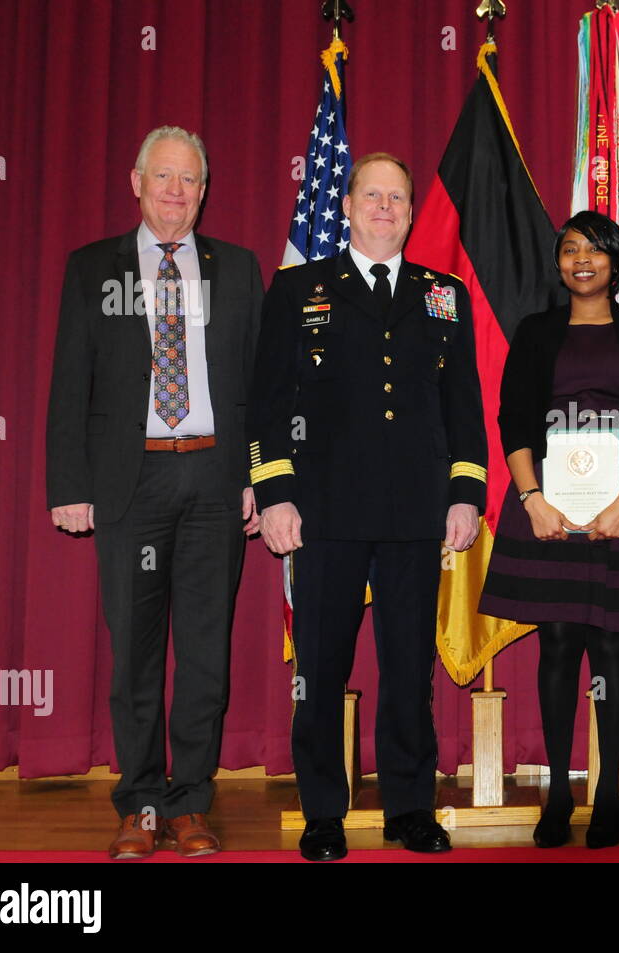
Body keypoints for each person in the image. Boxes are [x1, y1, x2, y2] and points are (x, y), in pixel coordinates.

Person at [246, 152, 486, 861]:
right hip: (324, 512)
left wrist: (466, 490)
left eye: (397, 198)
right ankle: (323, 808)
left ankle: (411, 805)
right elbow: (268, 401)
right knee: (320, 667)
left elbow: (463, 404)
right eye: (372, 195)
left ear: (411, 213)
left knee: (411, 669)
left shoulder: (443, 294)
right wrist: (276, 493)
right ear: (346, 205)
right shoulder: (299, 289)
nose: (385, 208)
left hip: (416, 512)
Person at [45, 125, 264, 859]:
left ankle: (191, 802)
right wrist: (70, 484)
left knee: (205, 649)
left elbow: (260, 389)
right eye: (163, 177)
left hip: (212, 479)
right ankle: (140, 802)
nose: (176, 191)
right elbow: (70, 383)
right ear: (136, 183)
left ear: (205, 192)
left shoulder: (237, 269)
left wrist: (259, 478)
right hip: (128, 483)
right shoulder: (91, 269)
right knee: (135, 651)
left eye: (190, 180)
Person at [478, 210, 619, 849]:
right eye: (569, 250)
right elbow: (514, 421)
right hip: (548, 508)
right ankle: (559, 790)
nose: (581, 260)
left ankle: (609, 789)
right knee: (558, 641)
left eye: (594, 250)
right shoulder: (536, 331)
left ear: (616, 263)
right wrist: (532, 498)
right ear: (558, 263)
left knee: (610, 645)